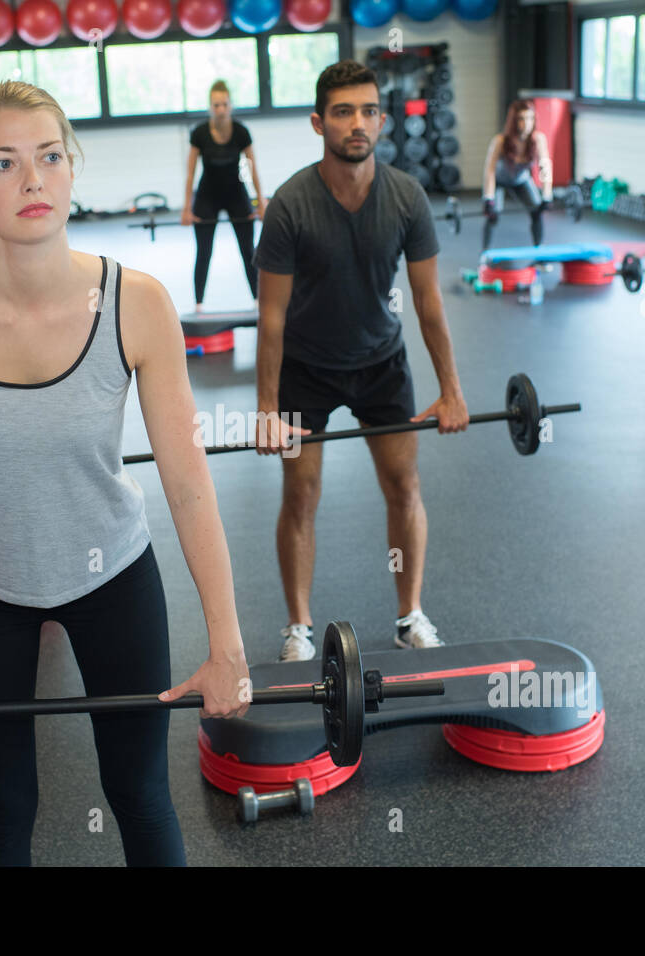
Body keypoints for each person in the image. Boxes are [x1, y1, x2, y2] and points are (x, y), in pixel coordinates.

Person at [0, 80, 250, 867]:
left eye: (49, 157)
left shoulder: (138, 303)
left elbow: (188, 482)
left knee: (139, 795)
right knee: (2, 811)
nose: (32, 180)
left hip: (113, 571)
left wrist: (226, 642)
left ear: (71, 167)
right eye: (3, 162)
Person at [253, 60, 469, 663]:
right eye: (344, 112)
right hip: (306, 366)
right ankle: (298, 628)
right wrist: (266, 410)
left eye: (369, 111)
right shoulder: (291, 205)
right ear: (319, 121)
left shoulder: (406, 197)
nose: (358, 123)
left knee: (404, 485)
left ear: (382, 118)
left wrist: (451, 390)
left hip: (381, 362)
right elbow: (270, 317)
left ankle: (410, 615)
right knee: (302, 493)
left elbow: (428, 302)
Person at [180, 80, 266, 312]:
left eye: (224, 104)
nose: (220, 109)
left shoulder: (240, 131)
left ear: (230, 105)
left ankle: (259, 300)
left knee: (248, 250)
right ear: (210, 106)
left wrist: (260, 202)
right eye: (216, 105)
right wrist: (187, 208)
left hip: (236, 195)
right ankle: (198, 304)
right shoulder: (199, 133)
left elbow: (251, 168)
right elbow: (190, 174)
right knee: (204, 252)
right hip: (207, 196)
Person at [480, 100, 553, 250]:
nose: (527, 123)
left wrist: (547, 195)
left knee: (537, 212)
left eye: (530, 118)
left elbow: (545, 166)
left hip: (521, 181)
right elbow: (490, 170)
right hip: (499, 181)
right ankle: (485, 255)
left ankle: (539, 253)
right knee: (493, 216)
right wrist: (489, 198)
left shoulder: (538, 139)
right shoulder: (500, 141)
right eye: (522, 119)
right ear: (514, 121)